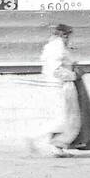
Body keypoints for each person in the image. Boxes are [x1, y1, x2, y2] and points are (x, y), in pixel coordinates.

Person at [30, 24, 82, 157]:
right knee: (64, 118)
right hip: (60, 86)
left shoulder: (52, 46)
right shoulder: (57, 47)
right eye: (67, 36)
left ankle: (55, 145)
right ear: (63, 35)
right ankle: (40, 139)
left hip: (54, 86)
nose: (68, 39)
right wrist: (74, 75)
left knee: (62, 117)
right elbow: (56, 70)